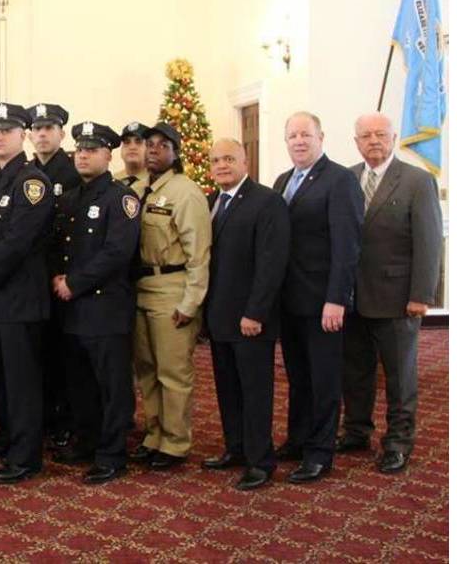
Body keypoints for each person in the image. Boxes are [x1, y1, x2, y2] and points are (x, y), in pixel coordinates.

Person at [339, 112, 442, 474]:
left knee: (400, 376)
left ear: (394, 137)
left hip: (397, 299)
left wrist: (422, 295)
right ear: (356, 142)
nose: (373, 141)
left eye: (380, 134)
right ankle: (356, 431)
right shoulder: (346, 178)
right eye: (365, 135)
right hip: (351, 299)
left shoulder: (416, 180)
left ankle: (398, 442)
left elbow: (429, 243)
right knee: (355, 372)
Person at [271, 111, 363, 484]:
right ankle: (298, 438)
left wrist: (337, 298)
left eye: (305, 134)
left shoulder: (339, 180)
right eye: (292, 135)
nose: (298, 141)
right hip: (290, 301)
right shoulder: (281, 181)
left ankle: (320, 452)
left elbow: (347, 245)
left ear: (321, 137)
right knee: (298, 376)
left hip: (324, 302)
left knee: (324, 378)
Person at [0, 102, 54, 484]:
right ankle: (7, 437)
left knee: (22, 382)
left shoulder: (32, 181)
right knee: (2, 377)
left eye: (8, 130)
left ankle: (25, 456)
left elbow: (19, 240)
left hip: (20, 298)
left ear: (24, 135)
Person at [49, 121, 140, 484]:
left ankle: (113, 453)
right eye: (80, 150)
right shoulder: (72, 197)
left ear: (108, 154)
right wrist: (58, 276)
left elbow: (117, 253)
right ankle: (87, 440)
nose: (83, 155)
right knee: (80, 383)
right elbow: (59, 246)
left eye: (92, 149)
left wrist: (74, 282)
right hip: (73, 308)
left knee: (112, 385)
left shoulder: (121, 199)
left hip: (106, 308)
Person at [201, 138, 290, 491]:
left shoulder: (267, 202)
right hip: (220, 317)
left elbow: (272, 263)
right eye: (215, 160)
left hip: (251, 319)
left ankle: (261, 461)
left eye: (228, 159)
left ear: (245, 162)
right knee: (228, 389)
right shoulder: (210, 202)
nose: (221, 165)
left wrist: (256, 312)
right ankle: (235, 448)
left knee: (255, 392)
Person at [130, 122, 211, 470]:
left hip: (172, 290)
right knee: (147, 371)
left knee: (173, 373)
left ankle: (175, 442)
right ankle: (154, 434)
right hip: (141, 290)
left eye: (162, 146)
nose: (153, 150)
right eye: (149, 145)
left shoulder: (185, 192)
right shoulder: (137, 188)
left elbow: (199, 253)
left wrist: (190, 303)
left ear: (175, 153)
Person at [27, 103, 80, 449]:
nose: (43, 133)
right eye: (38, 128)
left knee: (66, 353)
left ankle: (66, 419)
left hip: (62, 278)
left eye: (50, 127)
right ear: (29, 135)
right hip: (32, 279)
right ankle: (43, 417)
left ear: (61, 133)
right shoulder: (25, 172)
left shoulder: (73, 171)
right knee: (37, 352)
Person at [113, 121, 150, 193]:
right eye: (127, 142)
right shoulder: (113, 181)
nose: (132, 147)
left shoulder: (155, 181)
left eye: (138, 142)